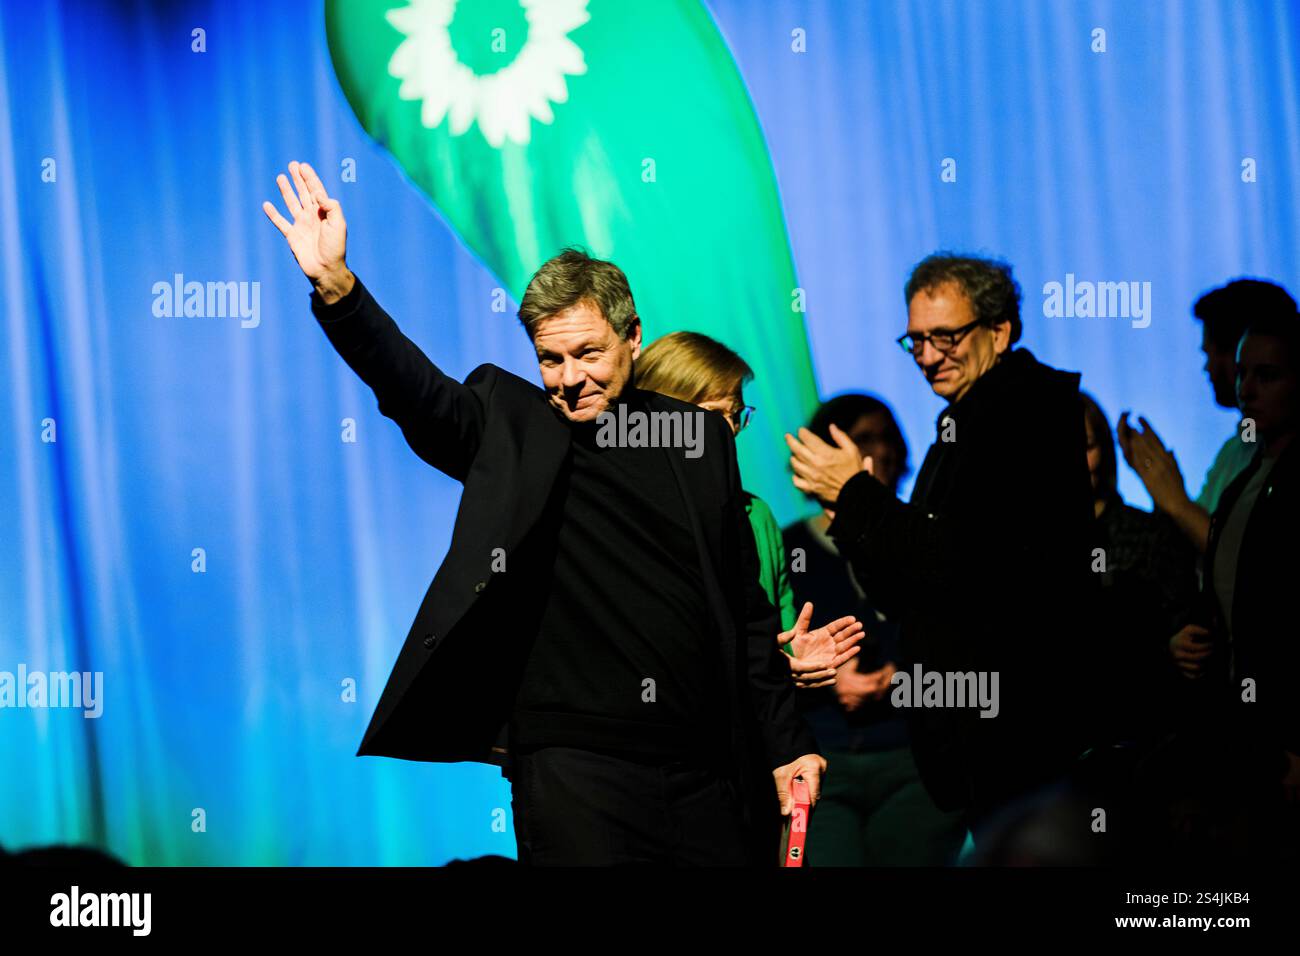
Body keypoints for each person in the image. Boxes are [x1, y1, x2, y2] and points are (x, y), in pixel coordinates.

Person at [261, 160, 827, 866]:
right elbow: (418, 394)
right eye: (550, 359)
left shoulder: (699, 438)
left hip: (705, 764)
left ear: (633, 338)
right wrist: (340, 290)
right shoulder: (514, 421)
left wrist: (787, 743)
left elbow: (745, 616)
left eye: (588, 353)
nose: (569, 378)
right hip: (573, 766)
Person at [785, 253, 1096, 839]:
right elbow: (907, 590)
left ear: (1000, 331)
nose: (928, 357)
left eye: (946, 336)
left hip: (1017, 730)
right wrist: (844, 511)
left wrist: (853, 493)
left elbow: (959, 564)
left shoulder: (1020, 411)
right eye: (916, 341)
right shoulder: (966, 419)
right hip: (977, 741)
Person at [783, 394, 967, 866]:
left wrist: (897, 681)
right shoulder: (788, 545)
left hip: (912, 757)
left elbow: (964, 639)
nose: (880, 451)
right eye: (863, 439)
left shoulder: (922, 538)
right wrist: (823, 678)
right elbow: (758, 653)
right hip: (820, 759)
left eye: (889, 438)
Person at [634, 332, 865, 695]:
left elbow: (778, 637)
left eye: (736, 416)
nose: (728, 432)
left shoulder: (756, 515)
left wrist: (793, 659)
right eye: (711, 415)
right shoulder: (624, 511)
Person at [1117, 279, 1298, 553]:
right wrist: (1161, 487)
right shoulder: (1235, 450)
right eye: (1243, 372)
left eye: (1209, 353)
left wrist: (1177, 501)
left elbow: (1246, 560)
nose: (1206, 368)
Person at [1081, 392, 1197, 745]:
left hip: (1145, 736)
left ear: (1104, 450)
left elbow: (1186, 629)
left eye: (1085, 445)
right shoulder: (1028, 550)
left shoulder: (1149, 535)